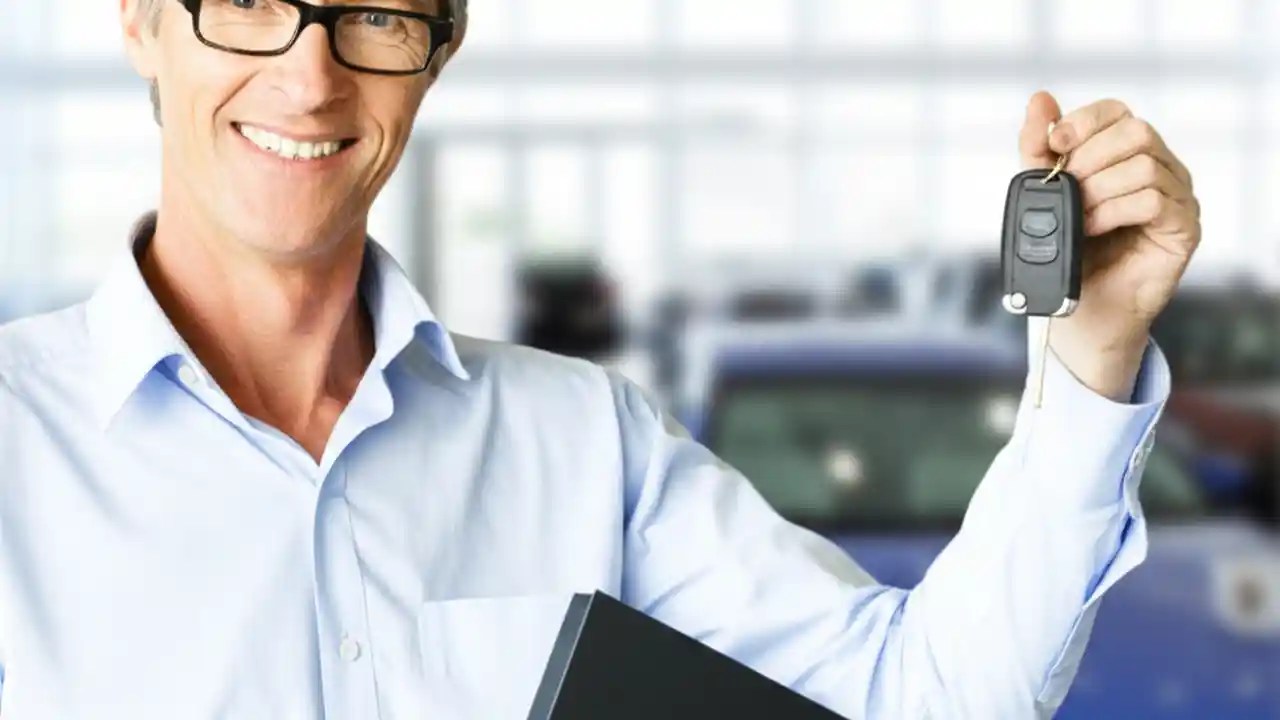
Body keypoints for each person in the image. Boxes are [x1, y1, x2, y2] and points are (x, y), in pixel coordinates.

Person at [0, 0, 1202, 717]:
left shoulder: (582, 445)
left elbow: (922, 699)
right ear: (137, 18)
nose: (309, 80)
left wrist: (1091, 351)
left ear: (435, 50)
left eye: (373, 11)